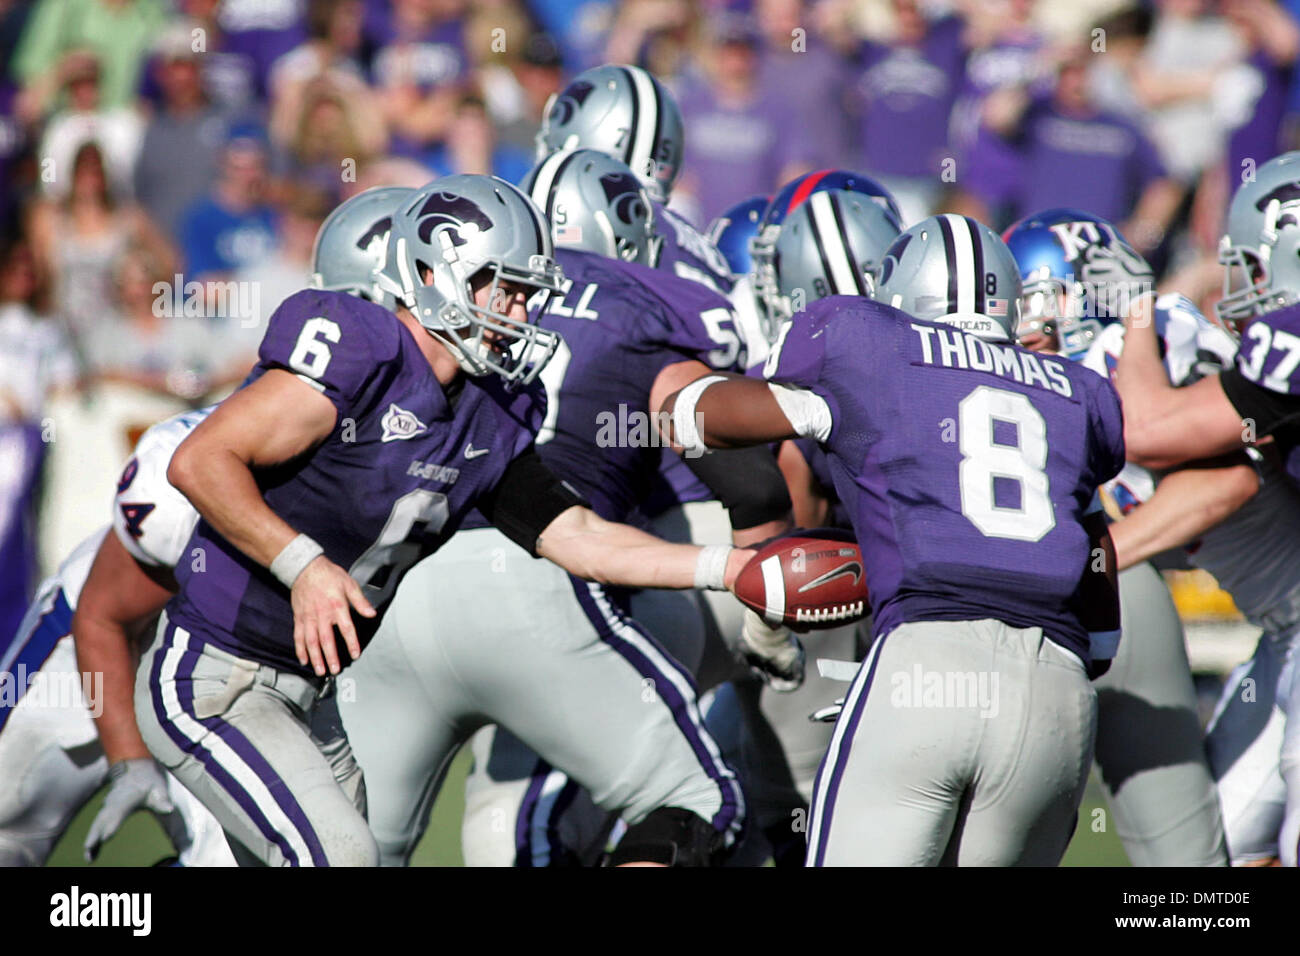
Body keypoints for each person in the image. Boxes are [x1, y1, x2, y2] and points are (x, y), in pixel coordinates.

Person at [134, 175, 753, 866]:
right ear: (432, 272)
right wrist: (301, 564)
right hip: (216, 678)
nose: (521, 310)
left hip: (316, 696)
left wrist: (732, 568)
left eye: (527, 293)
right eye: (506, 287)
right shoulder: (360, 347)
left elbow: (580, 539)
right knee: (340, 857)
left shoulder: (490, 408)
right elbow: (202, 459)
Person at [660, 215, 1126, 865]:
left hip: (926, 663)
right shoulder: (1082, 394)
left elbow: (702, 422)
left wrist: (680, 401)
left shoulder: (867, 344)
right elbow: (1099, 603)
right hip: (1058, 694)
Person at [1005, 207, 1230, 866]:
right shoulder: (1151, 334)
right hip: (1123, 597)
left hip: (1008, 601)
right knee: (1189, 860)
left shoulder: (983, 367)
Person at [1115, 152, 1300, 865]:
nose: (1245, 287)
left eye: (1254, 266)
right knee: (1210, 852)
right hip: (1284, 632)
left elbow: (1149, 430)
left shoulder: (1289, 336)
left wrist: (1137, 309)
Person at [1, 407, 235, 867]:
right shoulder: (214, 450)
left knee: (234, 858)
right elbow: (101, 618)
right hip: (77, 651)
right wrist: (131, 757)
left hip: (210, 671)